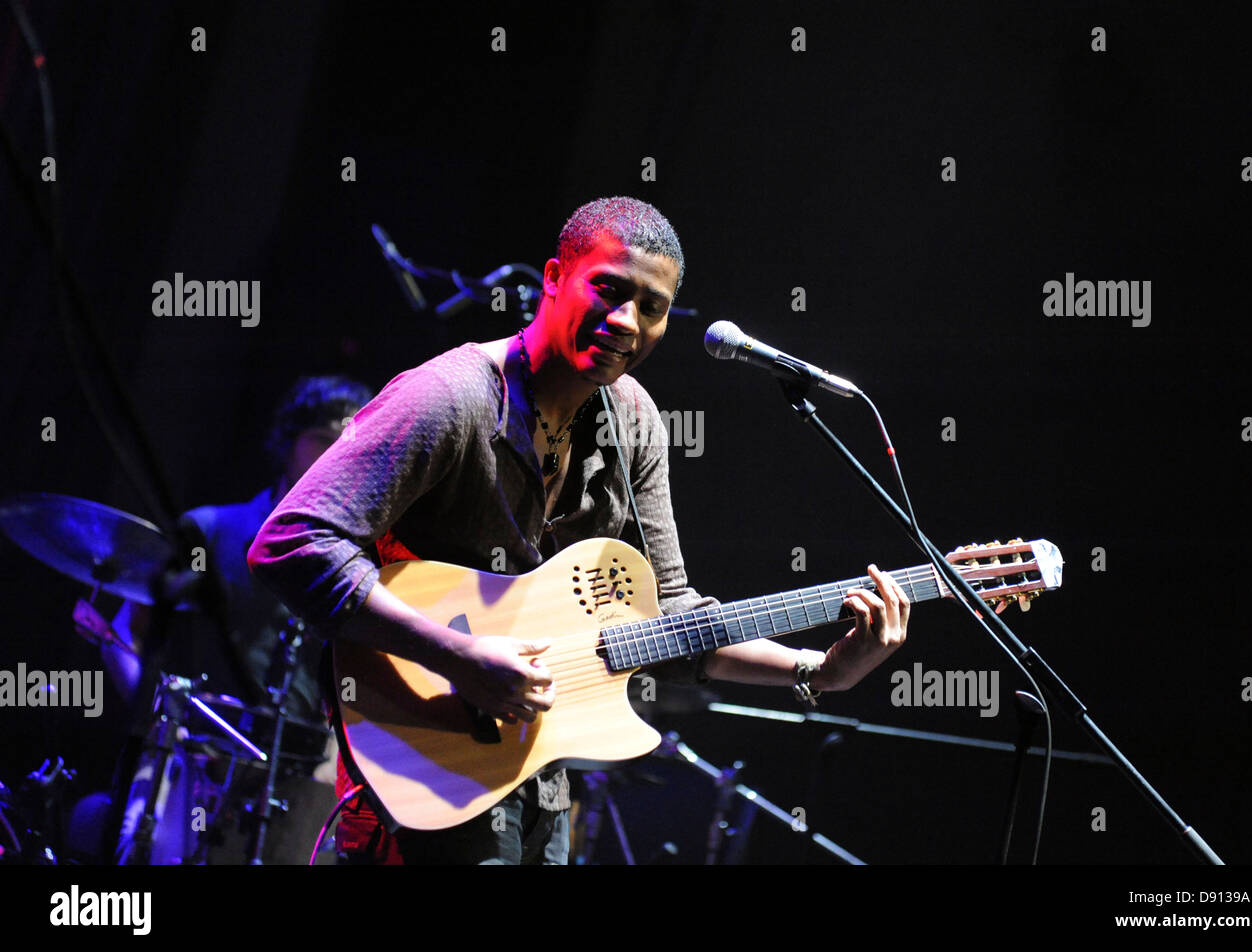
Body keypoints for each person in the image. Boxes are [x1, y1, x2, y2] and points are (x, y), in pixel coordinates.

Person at [247, 197, 910, 864]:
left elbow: (671, 618)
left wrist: (820, 670)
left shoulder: (636, 421)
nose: (627, 320)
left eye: (651, 307)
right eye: (610, 290)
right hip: (423, 755)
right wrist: (459, 657)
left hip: (536, 771)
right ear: (554, 277)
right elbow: (293, 541)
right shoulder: (451, 397)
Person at [85, 375, 373, 864]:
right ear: (287, 442)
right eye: (322, 441)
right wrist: (170, 731)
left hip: (300, 787)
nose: (332, 459)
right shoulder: (210, 530)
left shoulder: (355, 563)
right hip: (189, 770)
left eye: (347, 447)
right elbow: (119, 637)